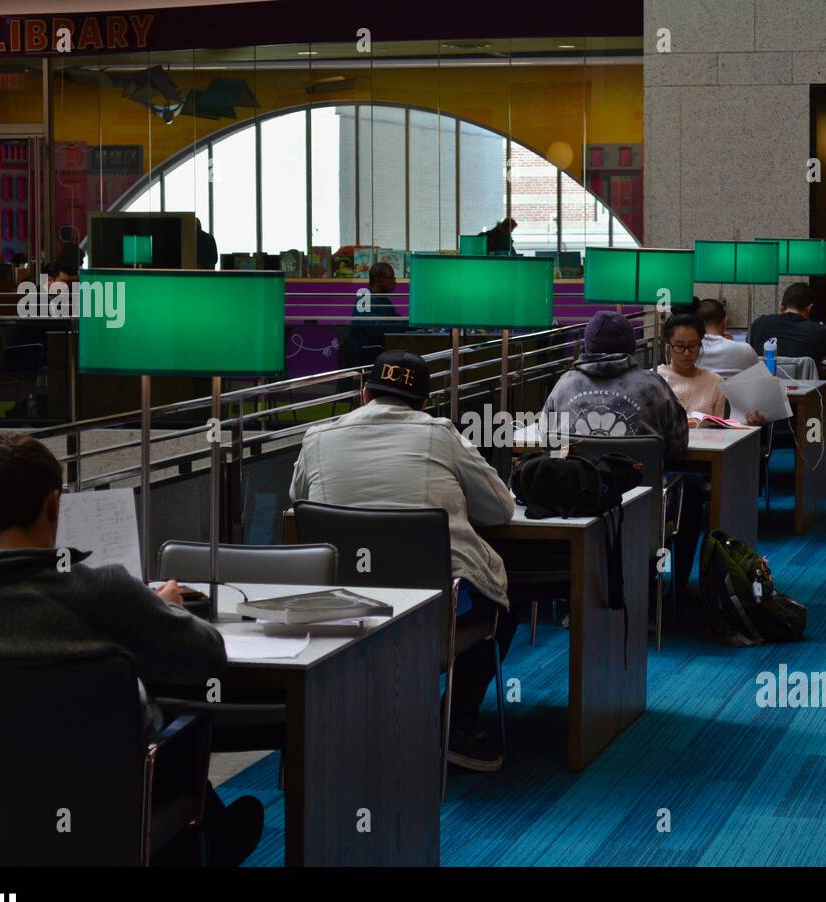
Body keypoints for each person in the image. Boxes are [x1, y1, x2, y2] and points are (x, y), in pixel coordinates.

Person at [0, 432, 264, 866]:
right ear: (55, 505)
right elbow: (205, 659)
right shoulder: (103, 593)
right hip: (99, 809)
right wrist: (158, 609)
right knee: (170, 737)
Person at [289, 350, 518, 772]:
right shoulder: (441, 434)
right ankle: (455, 728)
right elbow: (501, 509)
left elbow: (298, 503)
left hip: (342, 612)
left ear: (364, 394)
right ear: (423, 404)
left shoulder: (317, 437)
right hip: (435, 614)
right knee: (504, 602)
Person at [541, 310, 688, 462]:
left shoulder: (564, 384)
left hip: (576, 484)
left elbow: (546, 438)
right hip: (641, 485)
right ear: (631, 345)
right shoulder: (654, 386)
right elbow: (678, 445)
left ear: (588, 345)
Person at [658, 312, 730, 423]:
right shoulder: (655, 378)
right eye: (680, 346)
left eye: (693, 345)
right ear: (668, 345)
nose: (687, 353)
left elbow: (719, 429)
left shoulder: (715, 382)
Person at [342, 261, 408, 366]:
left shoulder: (384, 300)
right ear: (378, 280)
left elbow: (394, 321)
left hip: (375, 352)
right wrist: (405, 324)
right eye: (391, 278)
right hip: (361, 356)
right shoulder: (365, 297)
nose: (395, 282)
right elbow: (376, 328)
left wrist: (412, 323)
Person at [748, 282, 826, 368]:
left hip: (765, 381)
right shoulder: (819, 332)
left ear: (781, 306)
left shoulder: (759, 324)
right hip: (801, 381)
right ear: (809, 308)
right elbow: (822, 359)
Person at [695, 298, 760, 377]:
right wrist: (733, 344)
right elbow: (762, 381)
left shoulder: (689, 351)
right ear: (725, 321)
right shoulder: (745, 349)